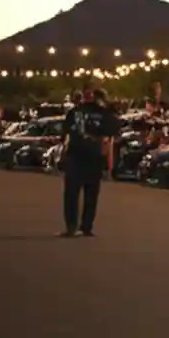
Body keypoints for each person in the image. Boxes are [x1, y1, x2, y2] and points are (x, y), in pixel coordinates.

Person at [60, 84, 120, 237]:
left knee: (80, 194)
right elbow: (110, 137)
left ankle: (78, 226)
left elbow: (108, 139)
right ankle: (80, 226)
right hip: (85, 156)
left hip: (85, 157)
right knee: (83, 194)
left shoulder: (83, 112)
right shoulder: (97, 113)